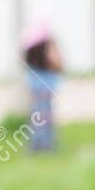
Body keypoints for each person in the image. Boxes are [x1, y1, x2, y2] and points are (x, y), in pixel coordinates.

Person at [21, 22, 63, 152]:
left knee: (38, 118)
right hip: (44, 89)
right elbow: (57, 65)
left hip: (39, 89)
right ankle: (44, 145)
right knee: (44, 118)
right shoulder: (46, 48)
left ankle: (40, 145)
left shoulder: (31, 53)